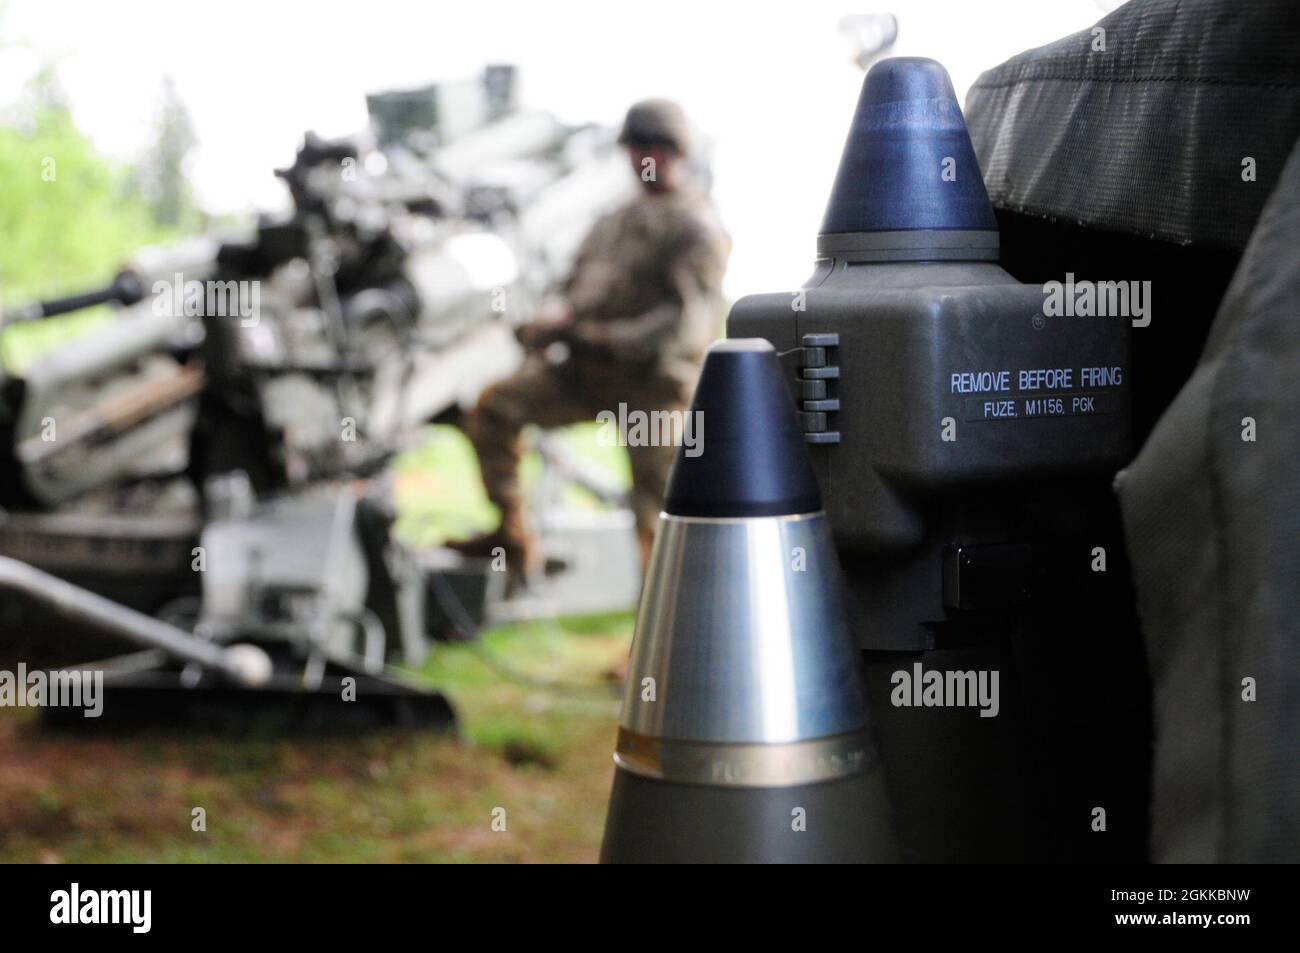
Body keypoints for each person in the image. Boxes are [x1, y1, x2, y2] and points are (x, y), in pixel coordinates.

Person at [449, 99, 731, 581]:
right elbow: (572, 284)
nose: (644, 160)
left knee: (660, 515)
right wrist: (551, 319)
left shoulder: (696, 226)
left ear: (676, 152)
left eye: (654, 149)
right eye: (637, 149)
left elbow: (680, 327)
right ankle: (513, 537)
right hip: (588, 376)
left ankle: (659, 642)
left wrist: (593, 336)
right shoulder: (614, 220)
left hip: (652, 390)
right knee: (496, 407)